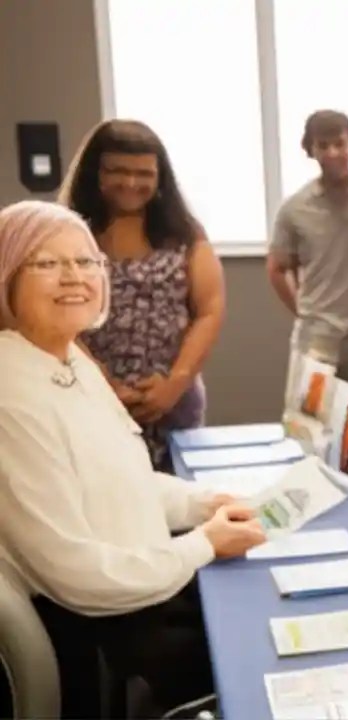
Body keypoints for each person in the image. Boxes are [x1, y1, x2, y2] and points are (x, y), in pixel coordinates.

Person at [0, 201, 266, 719]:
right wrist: (203, 544)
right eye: (48, 263)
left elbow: (124, 484)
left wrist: (204, 502)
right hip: (106, 635)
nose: (74, 277)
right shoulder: (11, 392)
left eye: (86, 261)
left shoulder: (68, 358)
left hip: (140, 588)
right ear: (5, 274)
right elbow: (77, 575)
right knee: (264, 649)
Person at [59, 119, 226, 472]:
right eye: (118, 171)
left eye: (143, 173)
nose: (131, 183)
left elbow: (209, 309)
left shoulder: (184, 232)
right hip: (89, 399)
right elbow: (56, 318)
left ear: (159, 177)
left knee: (181, 509)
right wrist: (100, 381)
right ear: (96, 173)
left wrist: (175, 384)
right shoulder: (68, 232)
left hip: (173, 402)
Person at [268, 110, 348, 380]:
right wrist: (303, 311)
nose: (332, 153)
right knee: (309, 421)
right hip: (317, 338)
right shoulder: (294, 209)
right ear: (310, 150)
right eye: (323, 146)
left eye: (339, 144)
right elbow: (277, 268)